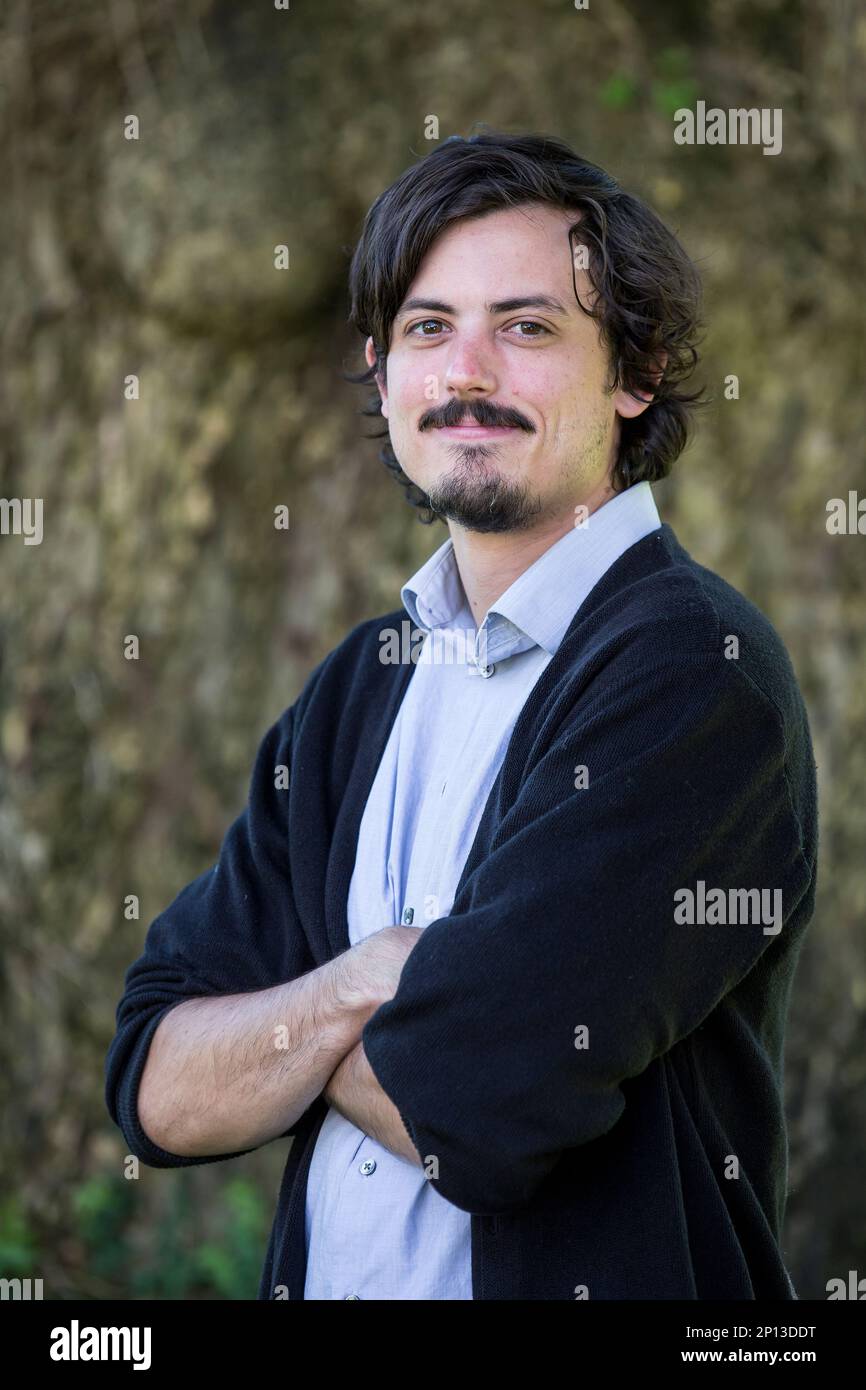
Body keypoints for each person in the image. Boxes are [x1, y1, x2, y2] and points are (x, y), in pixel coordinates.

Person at [105, 130, 818, 1300]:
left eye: (527, 327)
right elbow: (154, 1082)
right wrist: (360, 984)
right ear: (384, 374)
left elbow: (487, 1102)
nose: (466, 371)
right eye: (429, 329)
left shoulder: (694, 674)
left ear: (631, 373)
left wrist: (282, 1033)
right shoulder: (359, 685)